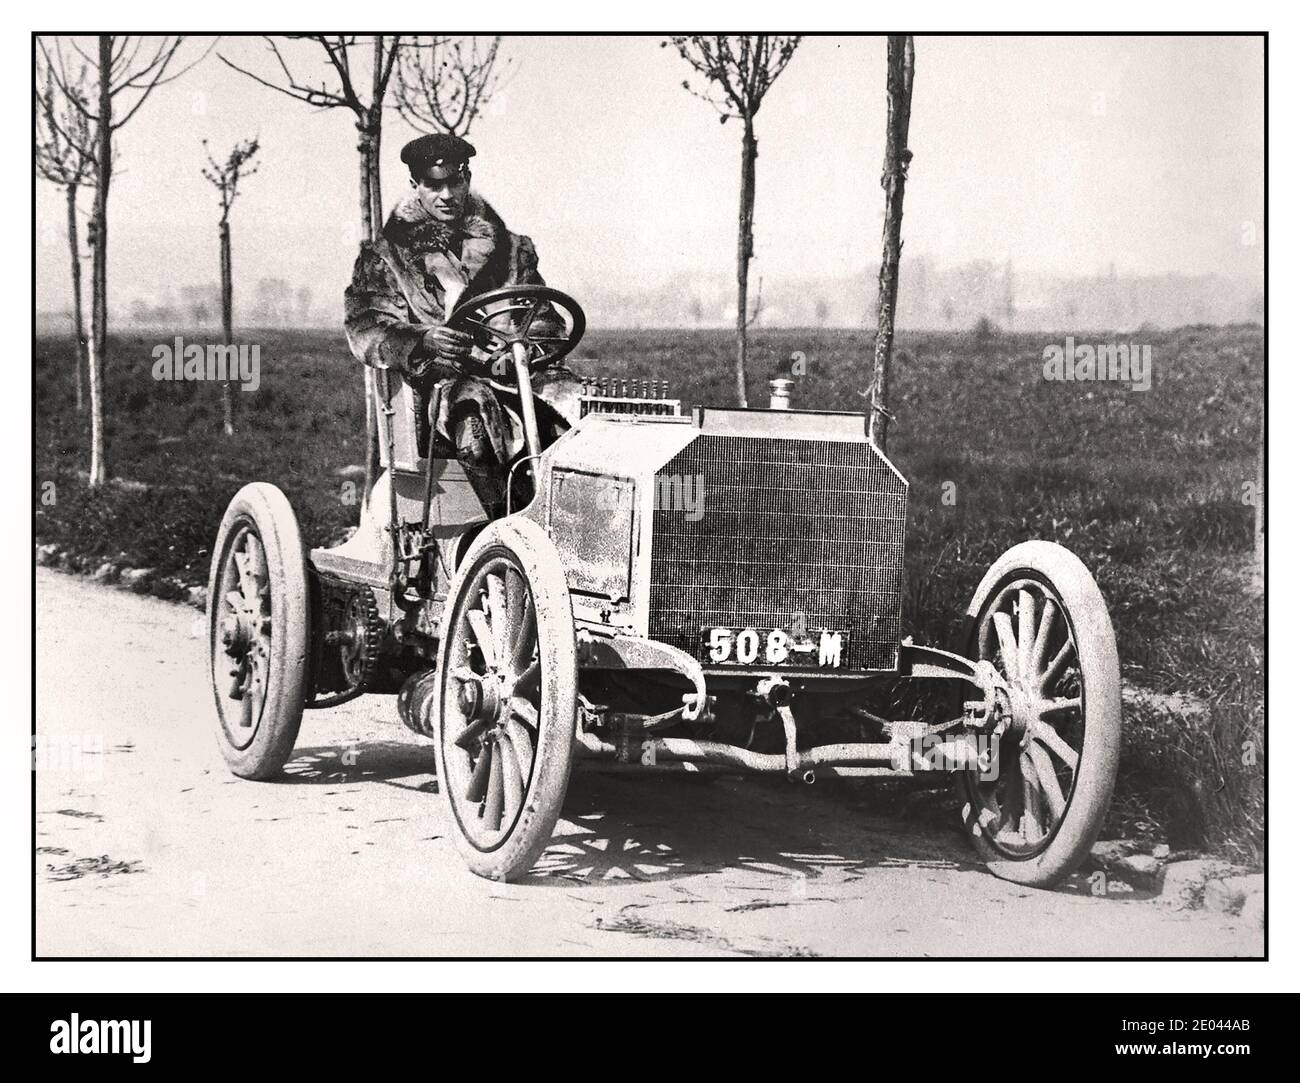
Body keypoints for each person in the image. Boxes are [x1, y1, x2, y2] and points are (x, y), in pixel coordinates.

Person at [344, 132, 581, 517]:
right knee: (472, 420)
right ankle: (507, 529)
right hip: (435, 388)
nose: (447, 195)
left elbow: (544, 320)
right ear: (415, 186)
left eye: (455, 181)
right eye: (434, 185)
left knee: (576, 411)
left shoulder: (512, 250)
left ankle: (573, 524)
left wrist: (521, 349)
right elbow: (368, 328)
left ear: (467, 178)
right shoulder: (386, 257)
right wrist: (424, 341)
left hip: (515, 375)